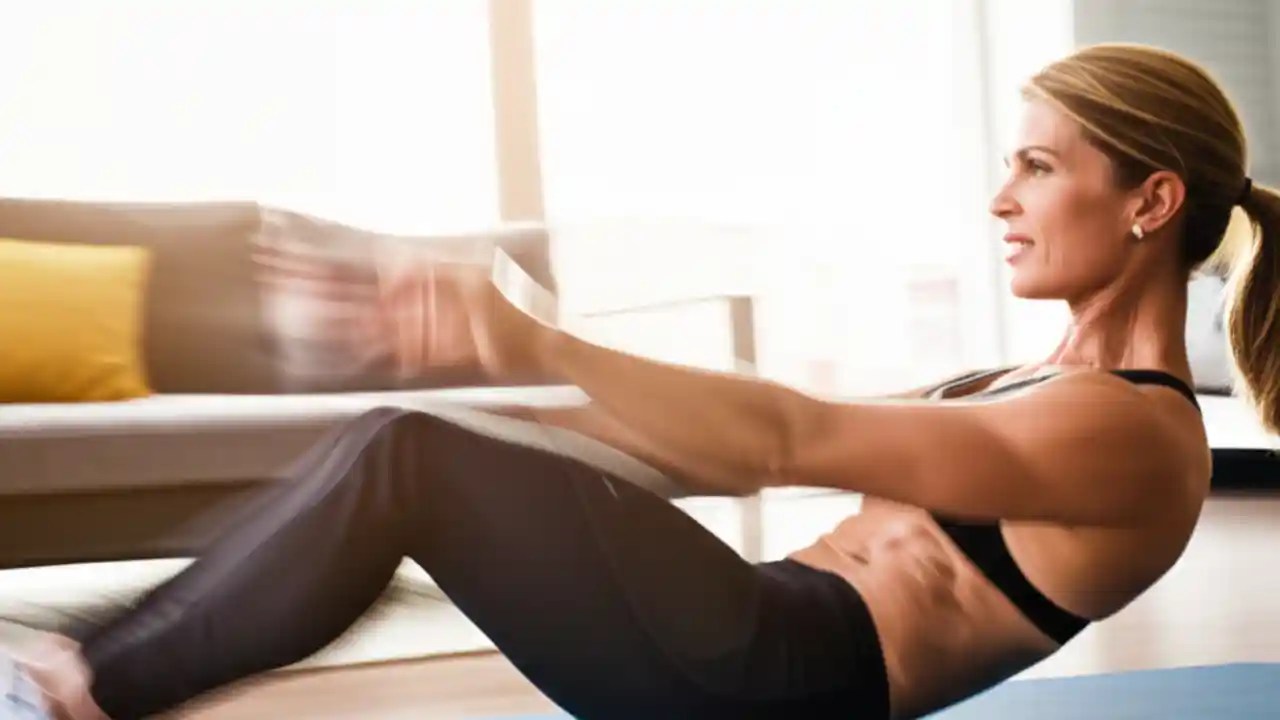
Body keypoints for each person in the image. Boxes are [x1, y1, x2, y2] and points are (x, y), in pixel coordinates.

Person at [8, 42, 1280, 720]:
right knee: (416, 442)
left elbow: (781, 436)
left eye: (1037, 169)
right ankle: (97, 665)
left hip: (783, 680)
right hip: (754, 627)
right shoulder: (1026, 379)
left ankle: (94, 684)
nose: (998, 197)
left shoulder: (1129, 439)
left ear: (1148, 201)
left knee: (406, 451)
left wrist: (536, 349)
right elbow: (715, 447)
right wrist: (506, 405)